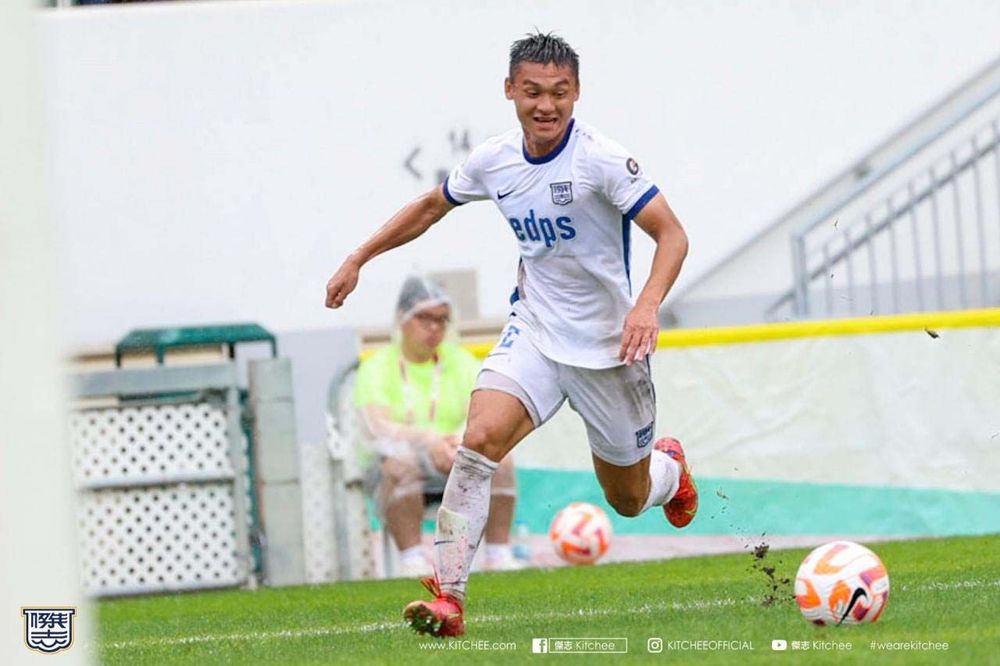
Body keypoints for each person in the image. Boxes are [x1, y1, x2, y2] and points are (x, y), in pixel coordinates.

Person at [326, 31, 697, 637]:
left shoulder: (602, 159)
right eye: (531, 92)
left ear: (576, 92)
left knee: (627, 499)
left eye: (558, 92)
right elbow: (430, 205)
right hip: (535, 329)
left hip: (608, 346)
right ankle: (449, 600)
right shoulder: (494, 159)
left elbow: (672, 235)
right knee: (480, 440)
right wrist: (359, 257)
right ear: (510, 92)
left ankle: (669, 472)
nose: (545, 105)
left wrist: (647, 305)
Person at [353, 276, 521, 577]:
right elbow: (377, 427)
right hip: (400, 463)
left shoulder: (462, 362)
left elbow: (483, 413)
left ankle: (499, 554)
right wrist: (426, 441)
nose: (434, 328)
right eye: (424, 318)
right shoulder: (378, 366)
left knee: (502, 461)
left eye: (442, 320)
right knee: (398, 465)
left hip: (456, 453)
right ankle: (412, 560)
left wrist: (454, 444)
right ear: (402, 319)